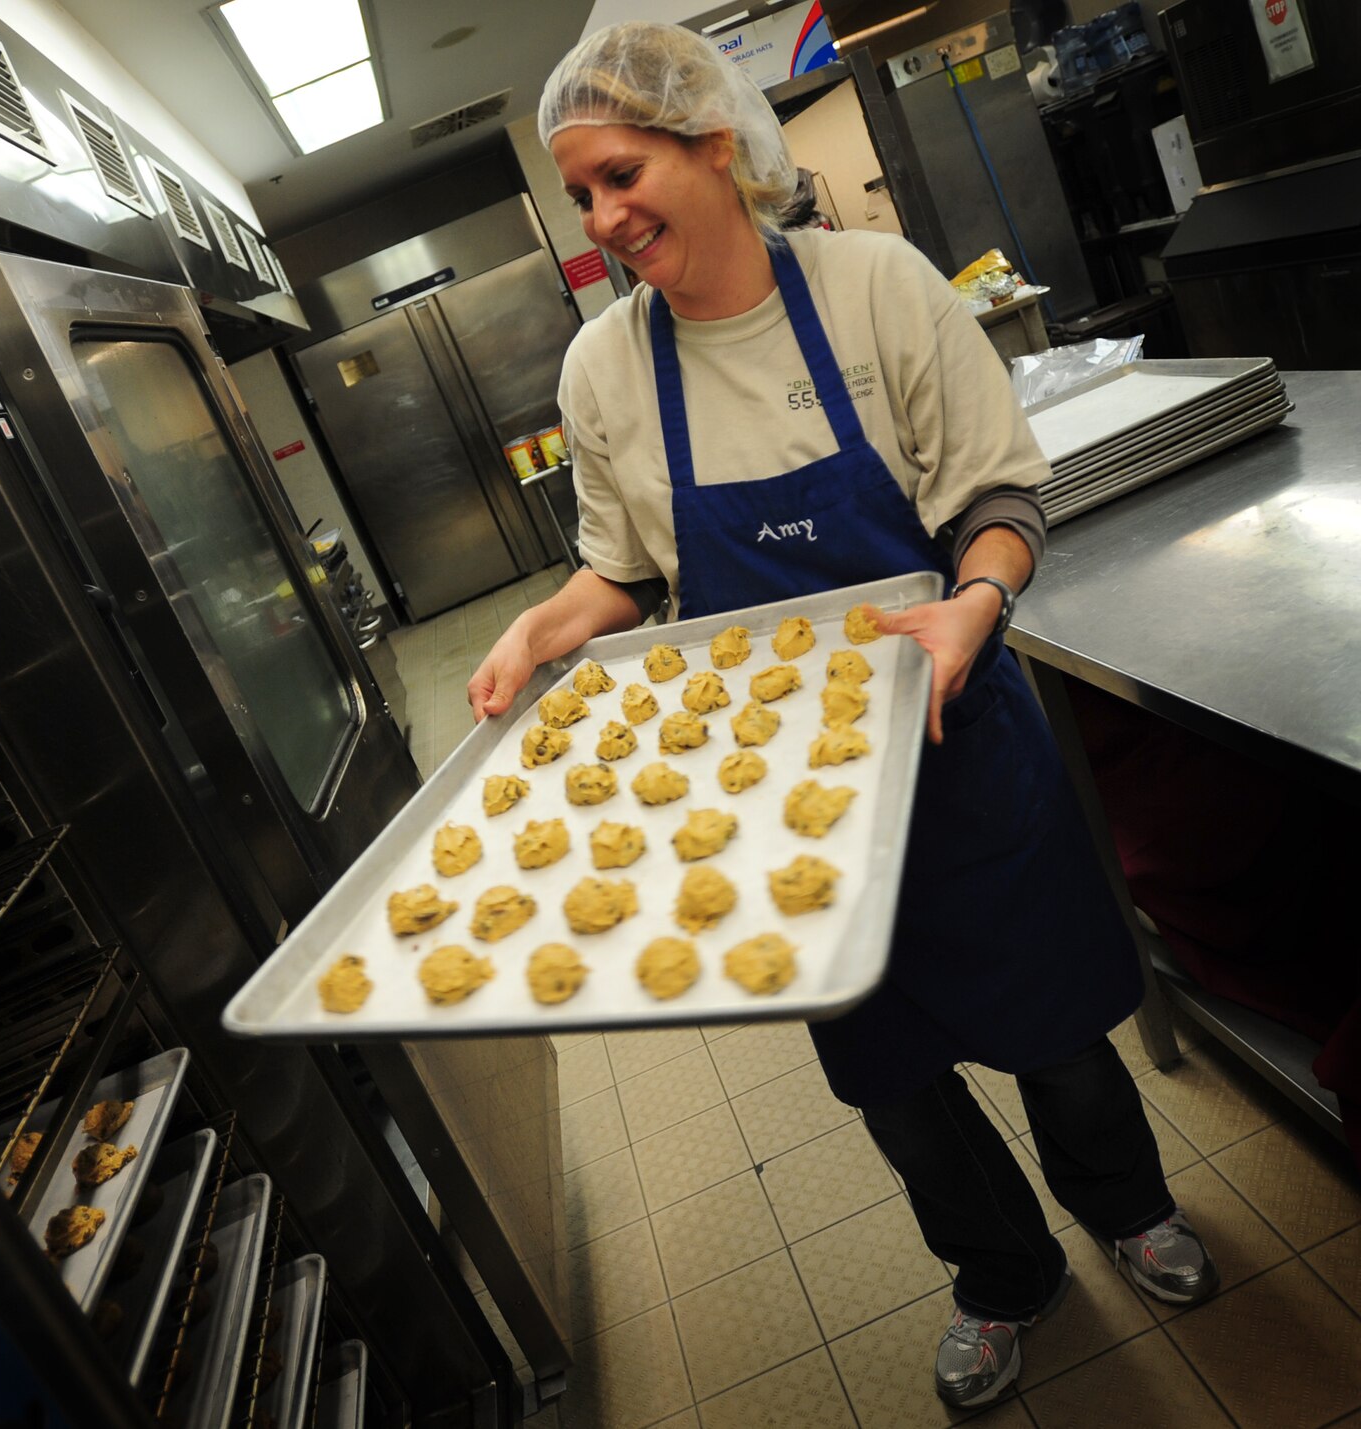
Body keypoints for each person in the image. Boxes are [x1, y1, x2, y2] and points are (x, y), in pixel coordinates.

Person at [469, 23, 1219, 1407]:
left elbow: (998, 499)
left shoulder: (877, 287)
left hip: (959, 745)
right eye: (579, 195)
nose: (604, 218)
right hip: (790, 811)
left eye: (621, 173)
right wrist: (542, 624)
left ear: (714, 145)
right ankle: (1003, 1276)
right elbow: (625, 567)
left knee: (1058, 1034)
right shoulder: (604, 374)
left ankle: (1130, 1207)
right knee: (896, 1085)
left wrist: (973, 605)